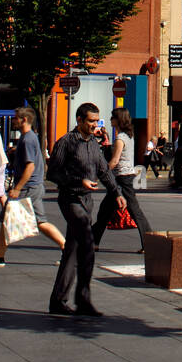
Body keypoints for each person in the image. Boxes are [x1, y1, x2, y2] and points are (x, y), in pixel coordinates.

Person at [46, 102, 126, 318]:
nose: (94, 125)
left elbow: (104, 171)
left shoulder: (93, 144)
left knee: (72, 249)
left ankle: (58, 300)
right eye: (90, 121)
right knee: (87, 244)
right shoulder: (66, 143)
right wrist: (78, 181)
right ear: (79, 120)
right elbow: (53, 173)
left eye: (96, 121)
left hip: (87, 201)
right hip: (70, 198)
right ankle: (83, 300)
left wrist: (116, 193)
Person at [0, 107, 66, 265]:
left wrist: (17, 188)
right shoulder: (28, 138)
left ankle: (66, 248)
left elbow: (30, 167)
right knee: (7, 219)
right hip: (30, 186)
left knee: (39, 222)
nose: (14, 120)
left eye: (16, 118)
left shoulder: (28, 139)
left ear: (24, 120)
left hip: (29, 188)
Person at [92, 108, 151, 251]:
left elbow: (115, 161)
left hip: (123, 179)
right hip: (125, 177)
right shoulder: (128, 136)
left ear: (118, 120)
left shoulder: (120, 139)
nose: (111, 119)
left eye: (113, 117)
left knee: (135, 211)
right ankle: (93, 242)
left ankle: (150, 243)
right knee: (106, 210)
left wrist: (100, 174)